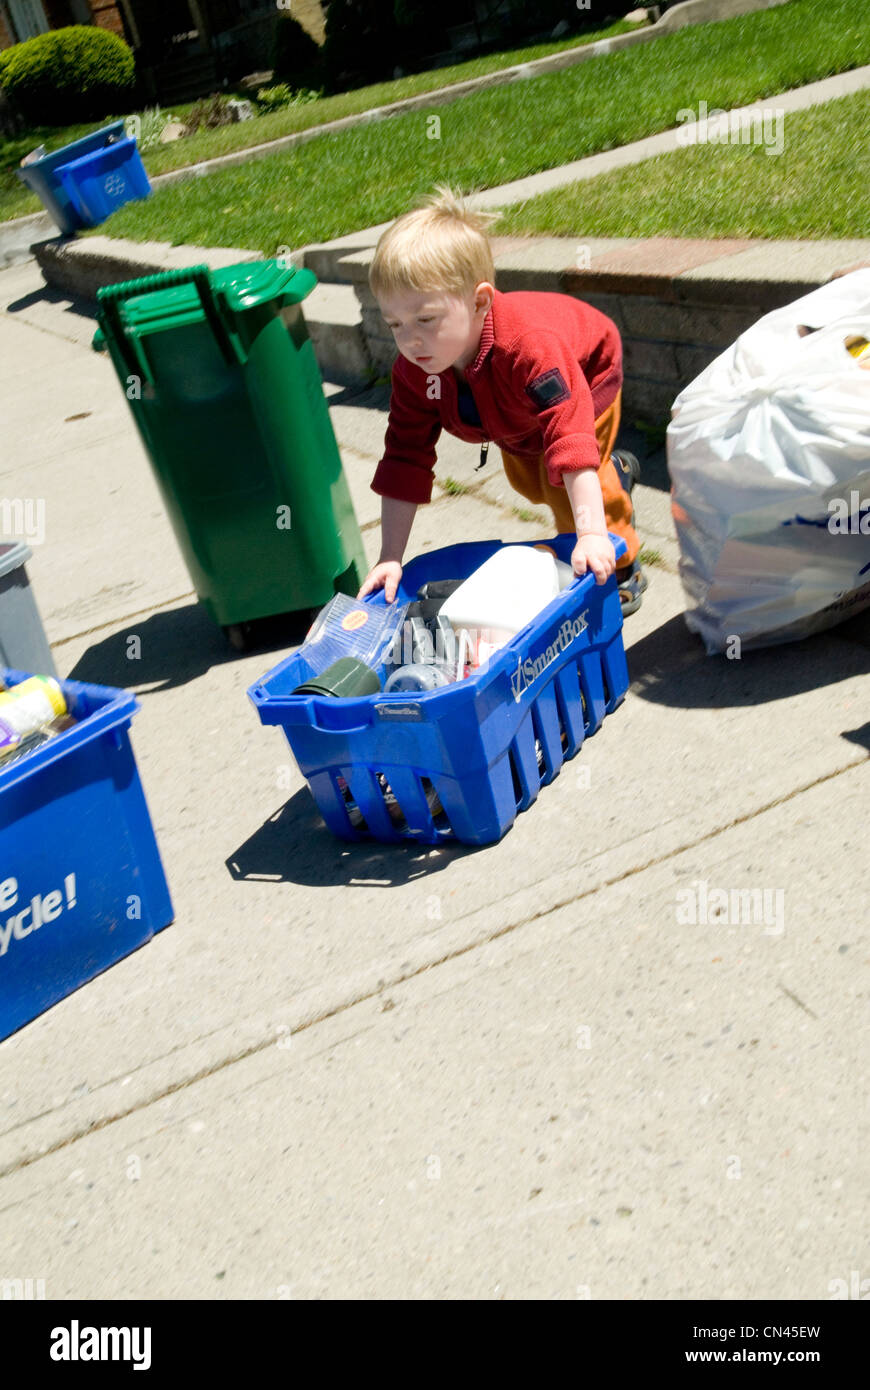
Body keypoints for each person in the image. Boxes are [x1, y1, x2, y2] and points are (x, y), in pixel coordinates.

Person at [357, 184, 646, 613]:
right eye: (395, 324)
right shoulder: (416, 371)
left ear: (479, 302)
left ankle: (619, 569)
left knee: (571, 489)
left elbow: (569, 437)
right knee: (531, 483)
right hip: (515, 415)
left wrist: (590, 536)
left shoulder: (529, 348)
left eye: (425, 319)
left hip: (585, 375)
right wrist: (389, 557)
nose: (410, 339)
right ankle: (615, 472)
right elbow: (404, 457)